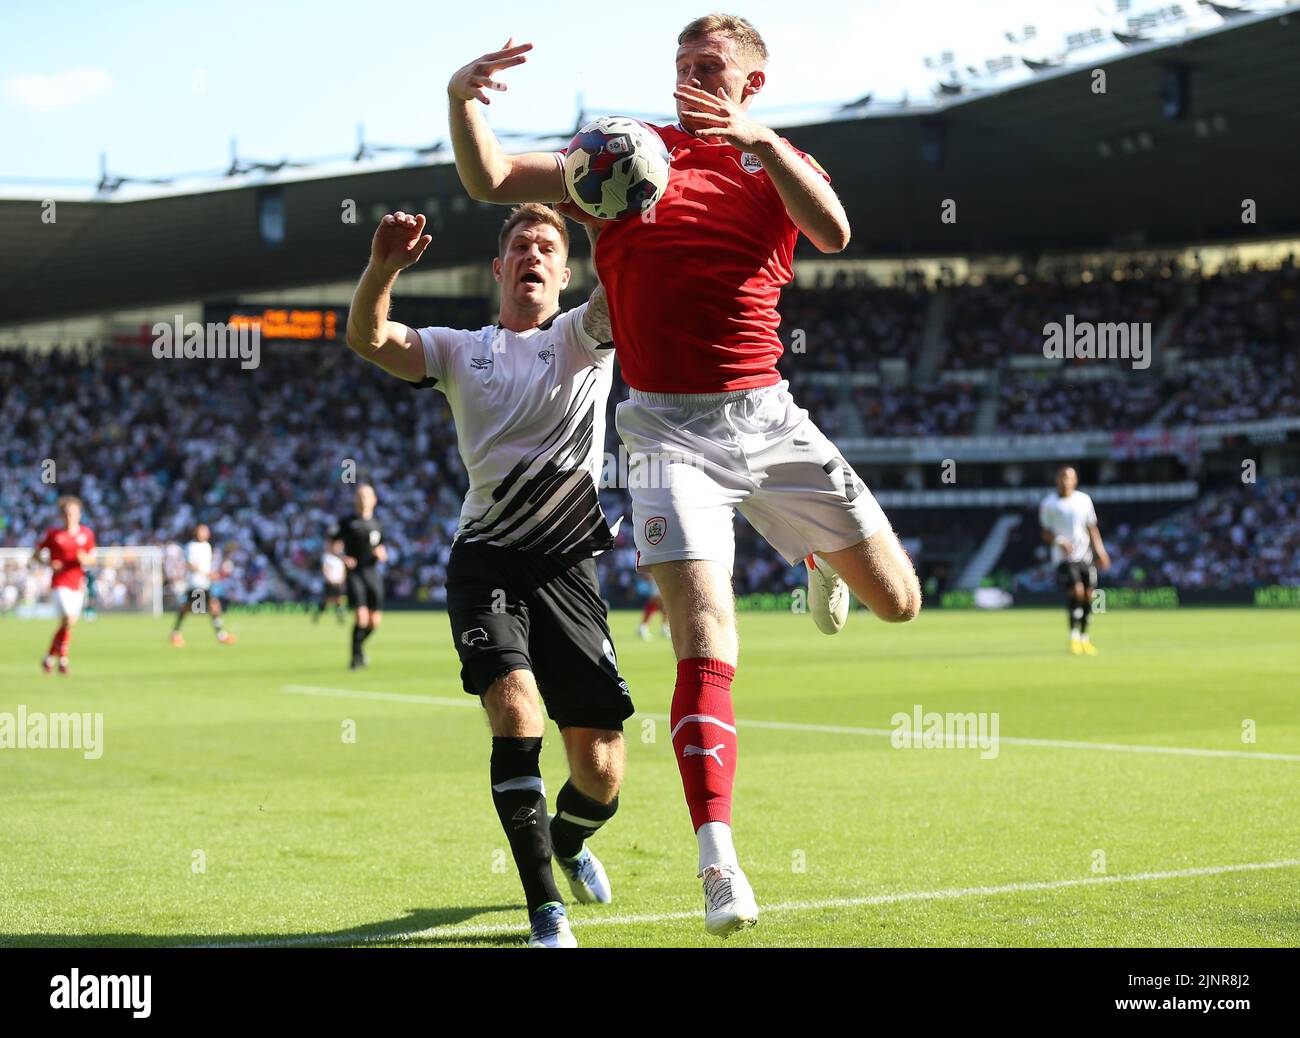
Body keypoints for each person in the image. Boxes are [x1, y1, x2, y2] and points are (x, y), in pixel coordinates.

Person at [446, 14, 921, 936]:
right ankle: (719, 863)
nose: (690, 80)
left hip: (770, 417)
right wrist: (462, 99)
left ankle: (814, 558)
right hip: (664, 429)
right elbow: (492, 176)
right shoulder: (622, 155)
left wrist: (763, 145)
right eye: (681, 66)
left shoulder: (775, 162)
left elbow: (834, 231)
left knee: (899, 601)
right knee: (705, 641)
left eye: (710, 67)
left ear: (752, 82)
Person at [344, 202, 633, 948]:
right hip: (486, 563)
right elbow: (368, 338)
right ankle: (546, 911)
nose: (533, 253)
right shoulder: (457, 350)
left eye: (547, 246)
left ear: (564, 274)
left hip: (569, 569)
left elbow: (627, 283)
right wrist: (385, 268)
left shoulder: (584, 335)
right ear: (500, 270)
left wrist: (604, 220)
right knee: (516, 714)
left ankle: (567, 843)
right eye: (520, 246)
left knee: (601, 773)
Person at [1040, 466, 1111, 655]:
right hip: (1064, 557)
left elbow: (1092, 528)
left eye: (1069, 477)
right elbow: (1045, 532)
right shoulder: (1049, 503)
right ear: (1057, 480)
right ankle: (1073, 637)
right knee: (1076, 591)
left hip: (1085, 555)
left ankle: (1084, 638)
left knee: (1089, 595)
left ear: (1075, 480)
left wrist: (1100, 552)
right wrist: (1059, 541)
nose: (1065, 481)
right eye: (1062, 477)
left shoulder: (1084, 500)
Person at [36, 495, 96, 675]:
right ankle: (63, 660)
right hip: (59, 582)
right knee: (68, 619)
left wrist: (84, 558)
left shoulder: (86, 534)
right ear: (62, 515)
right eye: (67, 513)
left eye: (73, 512)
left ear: (79, 514)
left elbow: (92, 558)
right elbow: (36, 553)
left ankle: (48, 657)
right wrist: (49, 563)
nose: (70, 516)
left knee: (68, 623)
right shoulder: (54, 535)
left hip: (77, 583)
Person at [331, 485, 388, 669]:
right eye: (360, 496)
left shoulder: (377, 523)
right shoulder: (347, 522)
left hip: (372, 573)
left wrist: (382, 554)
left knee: (374, 622)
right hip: (355, 573)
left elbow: (381, 548)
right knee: (361, 618)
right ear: (355, 499)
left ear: (374, 499)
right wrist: (343, 558)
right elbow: (333, 545)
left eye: (366, 496)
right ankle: (355, 658)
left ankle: (359, 649)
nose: (363, 499)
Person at [170, 523, 236, 646]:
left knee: (207, 606)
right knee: (197, 607)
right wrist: (206, 574)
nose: (205, 533)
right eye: (202, 531)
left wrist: (211, 575)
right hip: (195, 583)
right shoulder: (191, 546)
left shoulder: (207, 546)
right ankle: (221, 635)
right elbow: (190, 565)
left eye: (206, 531)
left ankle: (175, 633)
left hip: (205, 583)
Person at [313, 547, 348, 624]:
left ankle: (340, 618)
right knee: (327, 600)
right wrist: (329, 579)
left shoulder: (341, 558)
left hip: (339, 582)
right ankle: (317, 615)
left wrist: (343, 580)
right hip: (330, 583)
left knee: (339, 600)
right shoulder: (327, 557)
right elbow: (325, 569)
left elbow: (343, 570)